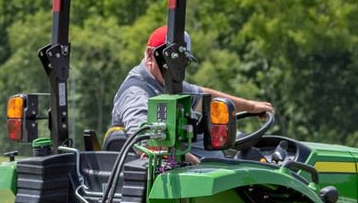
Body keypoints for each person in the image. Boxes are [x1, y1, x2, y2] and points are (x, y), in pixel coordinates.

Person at [109, 25, 273, 135]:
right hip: (145, 178)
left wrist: (250, 106)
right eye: (171, 61)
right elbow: (144, 139)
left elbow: (203, 96)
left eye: (182, 62)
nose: (177, 69)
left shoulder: (167, 85)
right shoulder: (135, 92)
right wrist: (193, 161)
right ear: (151, 55)